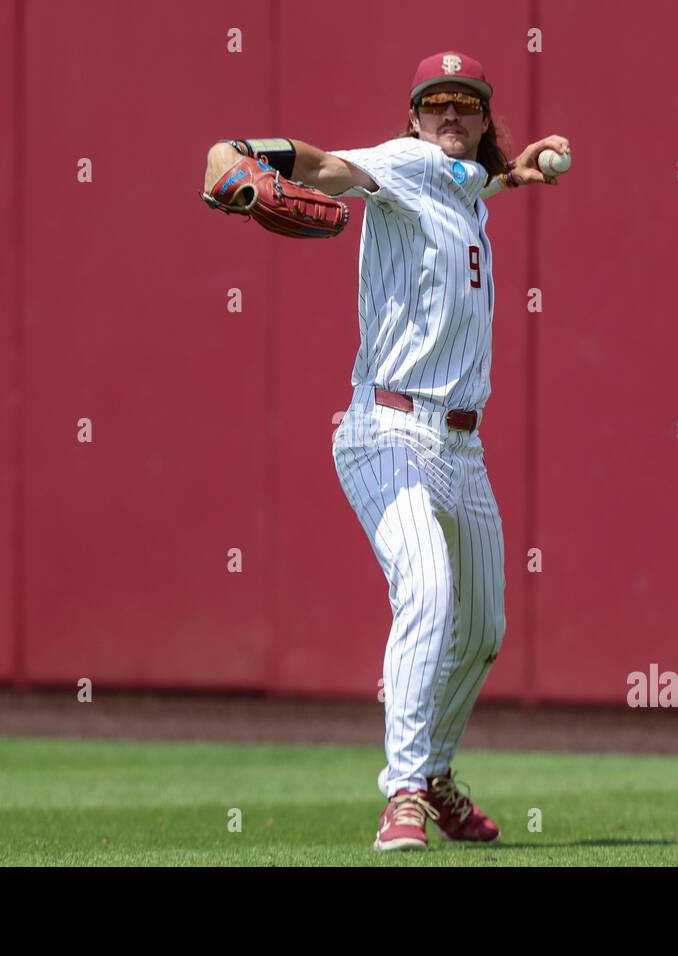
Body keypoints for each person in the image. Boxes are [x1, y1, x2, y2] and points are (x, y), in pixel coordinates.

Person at [202, 50, 568, 852]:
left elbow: (475, 179)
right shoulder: (403, 162)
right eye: (434, 102)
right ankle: (402, 792)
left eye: (464, 104)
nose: (448, 114)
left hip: (462, 450)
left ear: (481, 120)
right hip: (388, 430)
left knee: (483, 631)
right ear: (412, 117)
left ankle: (434, 772)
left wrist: (521, 170)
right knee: (429, 594)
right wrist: (242, 156)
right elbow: (329, 168)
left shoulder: (466, 186)